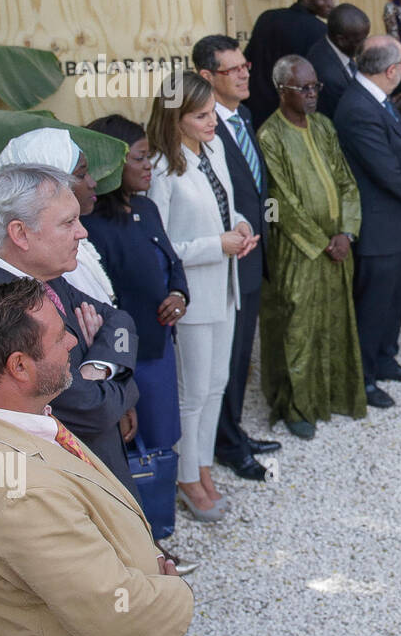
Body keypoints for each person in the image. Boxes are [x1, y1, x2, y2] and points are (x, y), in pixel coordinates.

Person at [0, 279, 194, 636]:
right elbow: (110, 610)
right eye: (60, 336)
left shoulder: (2, 419)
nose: (75, 343)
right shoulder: (21, 495)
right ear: (20, 366)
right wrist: (174, 591)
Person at [0, 164, 141, 498]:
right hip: (62, 493)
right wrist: (123, 378)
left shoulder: (33, 269)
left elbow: (119, 320)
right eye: (68, 222)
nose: (83, 232)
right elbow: (94, 411)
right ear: (20, 233)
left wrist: (97, 366)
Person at [146, 73, 258, 521]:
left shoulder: (211, 149)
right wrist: (219, 245)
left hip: (224, 286)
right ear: (175, 118)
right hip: (191, 296)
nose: (212, 121)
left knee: (216, 386)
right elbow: (161, 247)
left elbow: (225, 207)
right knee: (192, 393)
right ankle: (186, 477)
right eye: (201, 115)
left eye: (212, 112)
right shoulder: (160, 168)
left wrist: (244, 226)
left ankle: (204, 465)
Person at [81, 115, 190, 557]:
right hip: (125, 363)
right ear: (112, 165)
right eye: (142, 158)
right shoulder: (93, 229)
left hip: (160, 350)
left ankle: (157, 527)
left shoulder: (147, 209)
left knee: (160, 441)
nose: (151, 166)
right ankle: (133, 544)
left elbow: (173, 262)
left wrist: (180, 294)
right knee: (127, 449)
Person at [257, 55, 367, 430]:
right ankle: (298, 408)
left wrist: (346, 233)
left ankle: (335, 394)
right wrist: (322, 242)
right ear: (281, 91)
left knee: (336, 323)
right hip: (300, 251)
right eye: (302, 88)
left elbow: (347, 182)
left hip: (338, 246)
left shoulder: (323, 126)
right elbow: (281, 201)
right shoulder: (270, 136)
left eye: (315, 86)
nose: (311, 94)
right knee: (298, 329)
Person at [332, 36, 401, 408]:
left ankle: (384, 358)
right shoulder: (358, 108)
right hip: (378, 227)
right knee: (372, 305)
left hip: (398, 222)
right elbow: (386, 170)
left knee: (394, 298)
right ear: (391, 70)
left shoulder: (378, 99)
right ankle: (361, 380)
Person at [193, 34, 280, 482]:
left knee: (241, 351)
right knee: (222, 361)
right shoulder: (202, 130)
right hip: (223, 262)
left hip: (249, 253)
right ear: (207, 77)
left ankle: (234, 431)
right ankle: (223, 445)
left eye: (246, 65)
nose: (245, 73)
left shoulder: (243, 115)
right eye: (233, 69)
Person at [0, 130, 113, 306]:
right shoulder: (38, 267)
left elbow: (111, 317)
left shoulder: (62, 251)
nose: (92, 183)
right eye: (80, 174)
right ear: (46, 183)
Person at [243, 0, 334, 127]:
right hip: (290, 118)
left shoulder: (267, 18)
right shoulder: (319, 30)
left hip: (255, 111)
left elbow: (249, 59)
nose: (330, 3)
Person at [306, 3, 371, 119]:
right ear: (341, 40)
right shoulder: (329, 75)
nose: (365, 45)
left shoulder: (332, 47)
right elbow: (351, 117)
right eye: (360, 40)